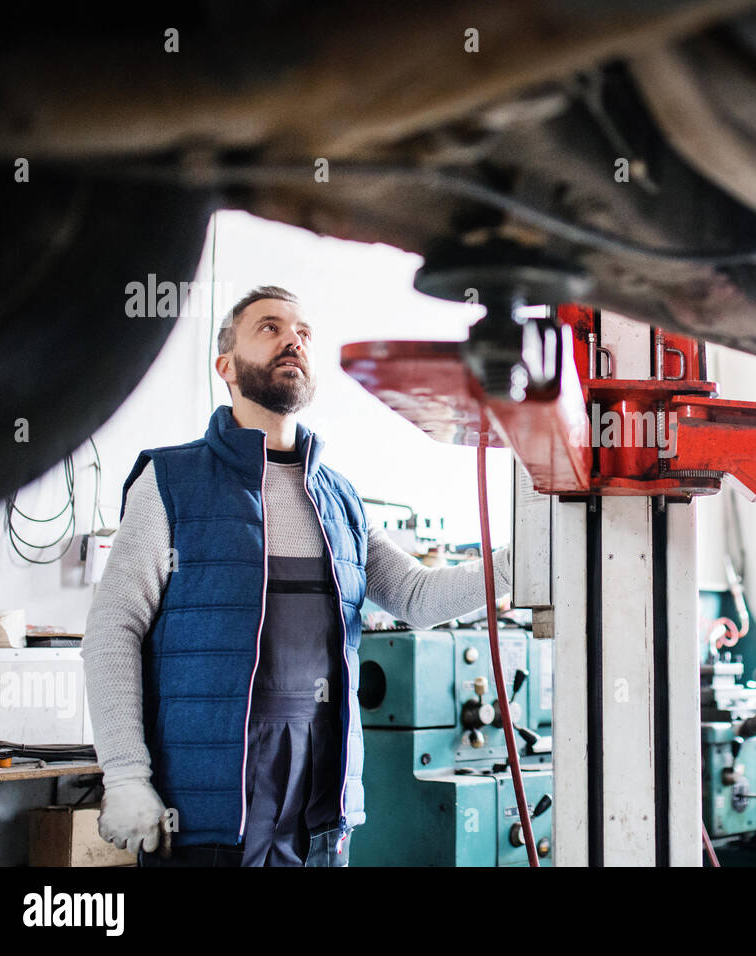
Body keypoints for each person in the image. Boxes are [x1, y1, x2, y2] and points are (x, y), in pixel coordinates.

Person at [81, 285, 511, 866]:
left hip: (320, 810)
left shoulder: (341, 499)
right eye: (270, 327)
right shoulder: (171, 483)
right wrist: (126, 775)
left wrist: (518, 563)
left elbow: (417, 597)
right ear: (225, 366)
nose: (293, 341)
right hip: (206, 809)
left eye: (303, 332)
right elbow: (113, 631)